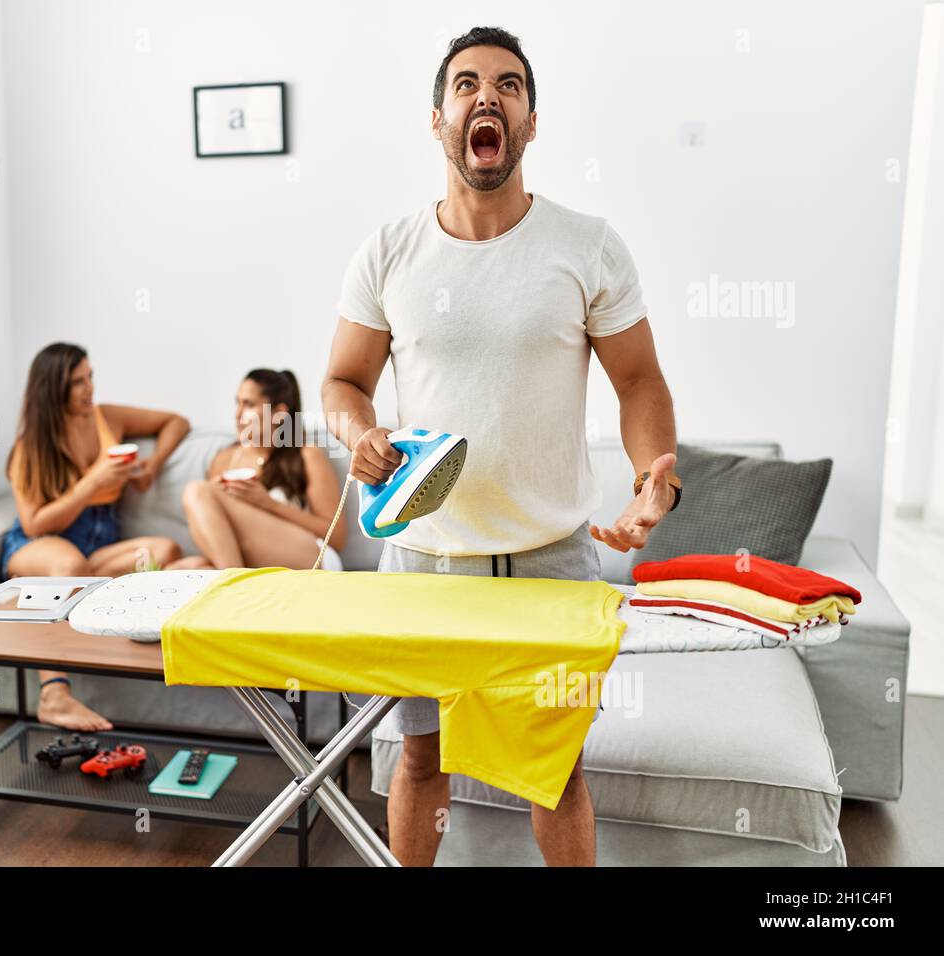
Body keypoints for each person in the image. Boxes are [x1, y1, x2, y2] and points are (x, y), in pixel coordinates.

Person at [321, 27, 683, 867]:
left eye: (509, 85)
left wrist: (650, 477)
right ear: (439, 118)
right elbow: (341, 382)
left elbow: (639, 382)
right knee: (419, 761)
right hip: (421, 564)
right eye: (468, 84)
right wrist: (358, 432)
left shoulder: (587, 245)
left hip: (550, 562)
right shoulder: (387, 251)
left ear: (530, 120)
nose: (488, 96)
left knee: (553, 775)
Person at [2, 342, 207, 731]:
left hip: (95, 544)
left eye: (90, 377)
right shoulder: (31, 444)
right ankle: (54, 695)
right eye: (76, 382)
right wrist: (91, 482)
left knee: (164, 550)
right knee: (67, 564)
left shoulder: (106, 419)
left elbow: (175, 422)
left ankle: (65, 588)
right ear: (52, 389)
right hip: (42, 543)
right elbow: (34, 523)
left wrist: (151, 467)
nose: (88, 388)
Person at [182, 369, 348, 571]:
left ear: (279, 413)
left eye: (249, 404)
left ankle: (233, 583)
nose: (237, 414)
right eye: (238, 403)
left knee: (197, 491)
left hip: (312, 556)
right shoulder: (224, 459)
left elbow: (336, 537)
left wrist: (268, 504)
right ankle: (233, 578)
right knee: (195, 566)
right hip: (251, 559)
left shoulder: (305, 455)